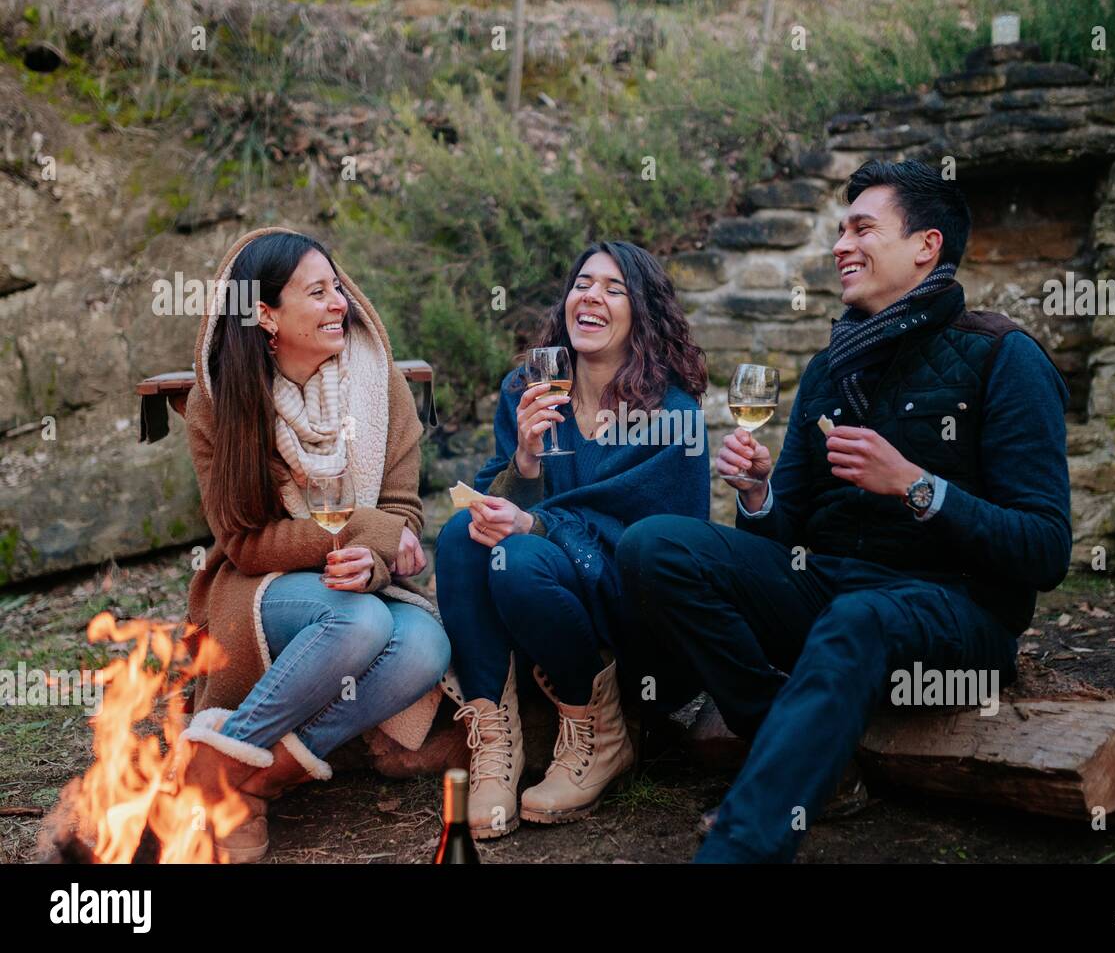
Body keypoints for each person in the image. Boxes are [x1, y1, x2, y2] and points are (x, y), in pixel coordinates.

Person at [617, 159, 1073, 862]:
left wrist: (918, 486)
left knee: (857, 617)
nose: (840, 245)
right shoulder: (832, 369)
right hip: (831, 590)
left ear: (926, 246)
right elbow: (786, 530)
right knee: (653, 545)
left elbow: (1045, 550)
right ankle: (798, 753)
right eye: (838, 229)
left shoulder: (1003, 357)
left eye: (863, 227)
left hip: (957, 613)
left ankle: (740, 848)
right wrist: (759, 496)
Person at [177, 227, 450, 862]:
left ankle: (246, 779)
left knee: (424, 645)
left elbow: (402, 512)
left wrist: (375, 558)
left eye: (339, 290)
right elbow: (243, 541)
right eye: (318, 293)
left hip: (359, 585)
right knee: (354, 620)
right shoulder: (220, 401)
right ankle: (235, 767)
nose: (339, 305)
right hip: (255, 586)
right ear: (266, 314)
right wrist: (361, 533)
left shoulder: (378, 385)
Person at [435, 240, 710, 839]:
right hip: (541, 605)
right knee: (462, 533)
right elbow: (497, 498)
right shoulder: (526, 389)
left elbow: (657, 545)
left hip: (631, 621)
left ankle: (600, 732)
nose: (592, 296)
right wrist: (525, 462)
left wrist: (537, 525)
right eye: (583, 283)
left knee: (521, 557)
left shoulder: (672, 413)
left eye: (615, 289)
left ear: (644, 313)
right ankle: (494, 745)